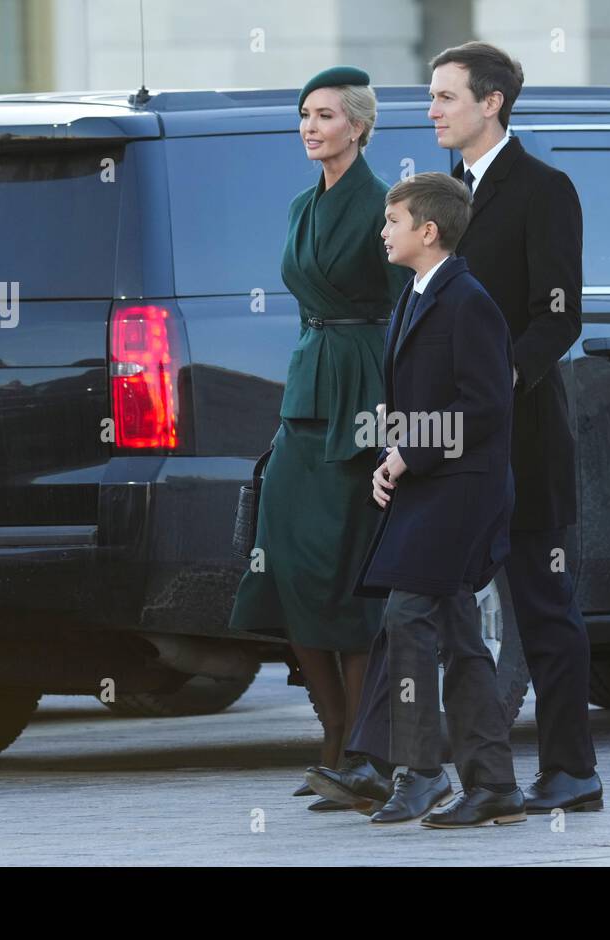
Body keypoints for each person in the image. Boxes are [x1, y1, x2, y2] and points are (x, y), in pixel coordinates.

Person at [307, 40, 602, 817]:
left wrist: (501, 378)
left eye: (444, 96)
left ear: (491, 101)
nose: (431, 109)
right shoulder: (436, 196)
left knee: (540, 600)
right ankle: (408, 765)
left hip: (520, 433)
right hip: (439, 447)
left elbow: (560, 314)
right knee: (426, 603)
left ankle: (572, 769)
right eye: (432, 97)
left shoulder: (544, 188)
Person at [228, 66, 411, 811]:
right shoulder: (304, 204)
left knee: (350, 573)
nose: (310, 126)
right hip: (307, 390)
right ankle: (332, 728)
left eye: (326, 115)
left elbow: (410, 310)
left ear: (359, 127)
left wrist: (402, 418)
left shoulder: (383, 206)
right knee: (288, 562)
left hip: (364, 389)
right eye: (304, 114)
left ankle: (364, 752)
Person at [348, 171, 523, 828]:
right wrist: (388, 459)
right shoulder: (416, 296)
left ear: (428, 230)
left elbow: (484, 403)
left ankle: (421, 771)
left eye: (392, 222)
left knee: (406, 615)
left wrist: (409, 453)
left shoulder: (467, 300)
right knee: (458, 632)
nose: (383, 232)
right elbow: (416, 397)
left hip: (462, 493)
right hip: (427, 487)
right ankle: (494, 786)